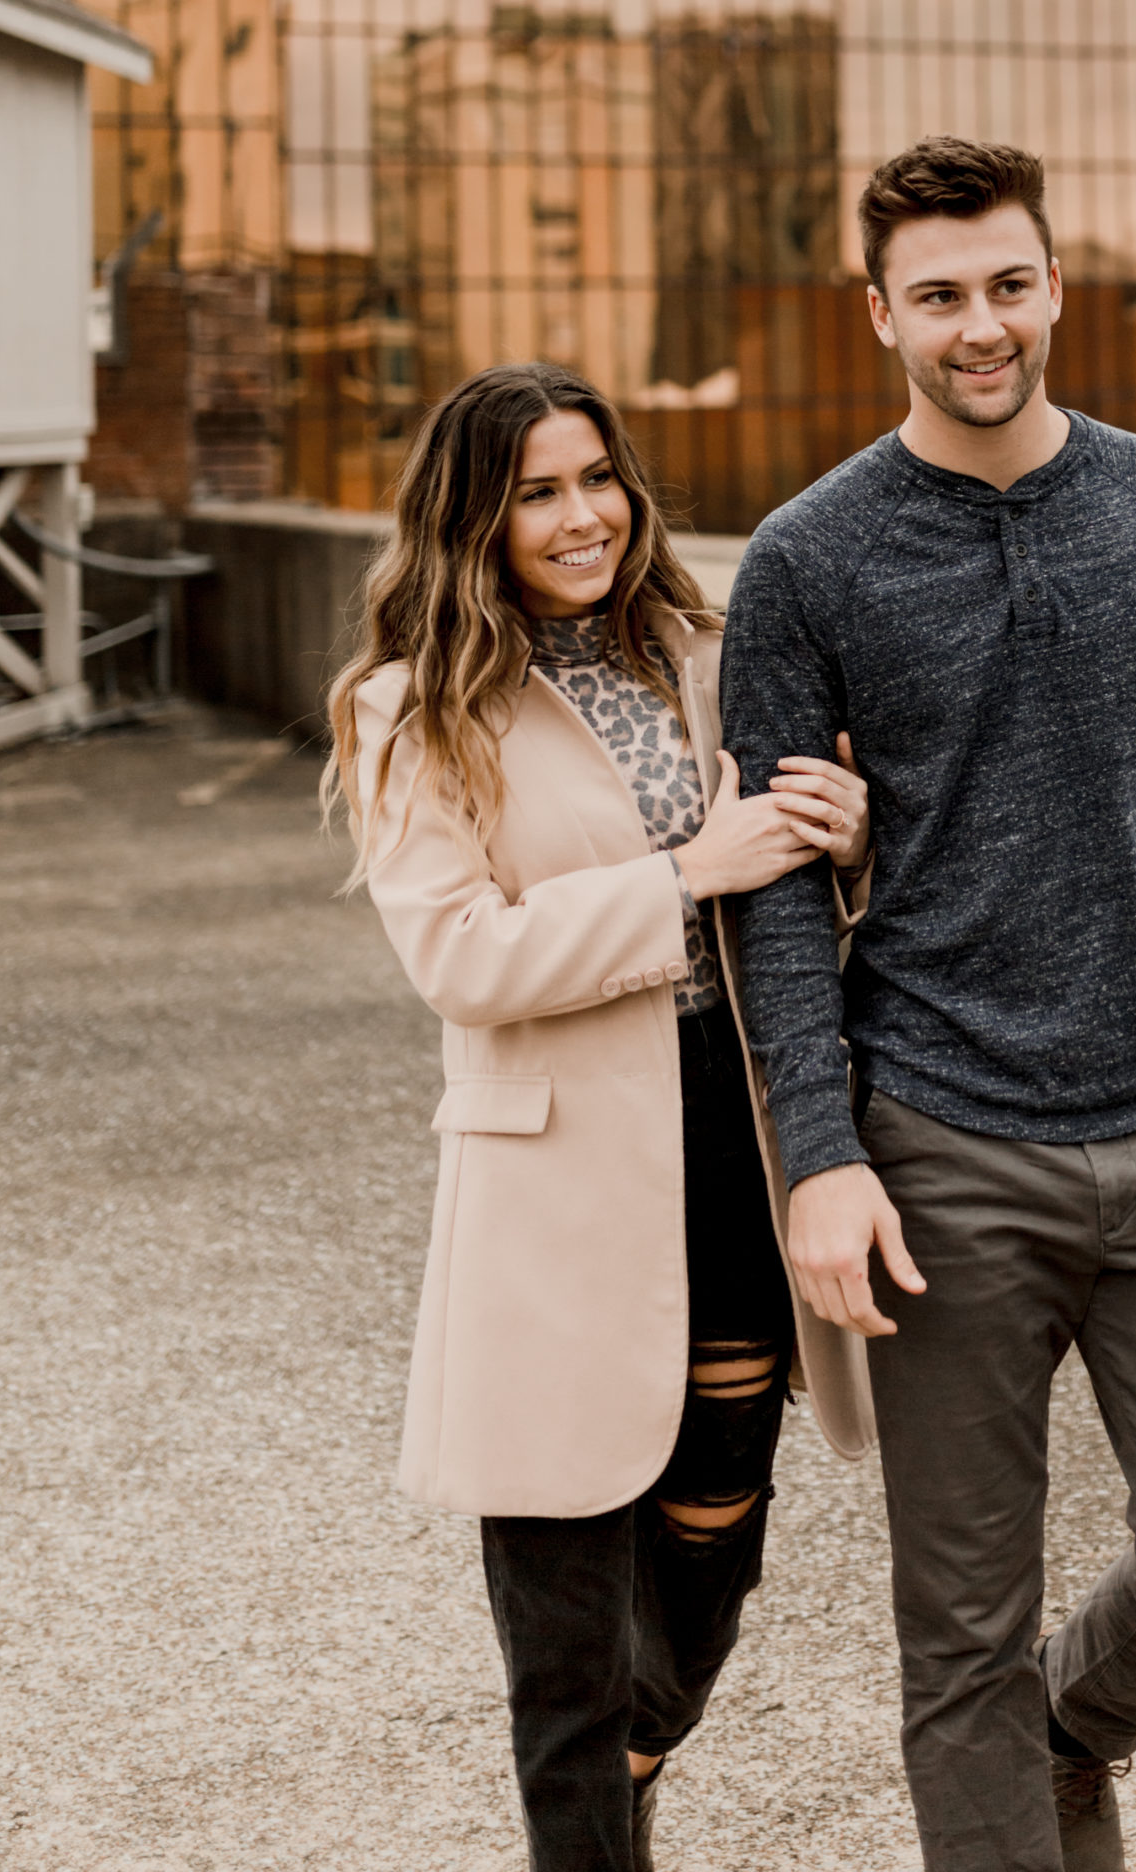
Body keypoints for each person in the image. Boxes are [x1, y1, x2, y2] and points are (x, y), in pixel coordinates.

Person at [720, 138, 1136, 1872]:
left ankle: (1067, 1735)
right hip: (937, 1149)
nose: (981, 326)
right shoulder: (808, 561)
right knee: (959, 1633)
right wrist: (820, 1154)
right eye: (940, 296)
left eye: (1008, 284)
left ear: (1052, 283)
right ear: (880, 314)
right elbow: (763, 879)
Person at [322, 361, 874, 1872]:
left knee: (717, 1534)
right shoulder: (411, 708)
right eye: (537, 492)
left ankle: (641, 1753)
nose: (582, 517)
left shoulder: (706, 653)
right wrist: (690, 870)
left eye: (597, 479)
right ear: (474, 521)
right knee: (562, 1632)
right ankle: (587, 1816)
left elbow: (801, 893)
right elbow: (462, 959)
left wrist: (843, 838)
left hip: (731, 1145)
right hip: (555, 1193)